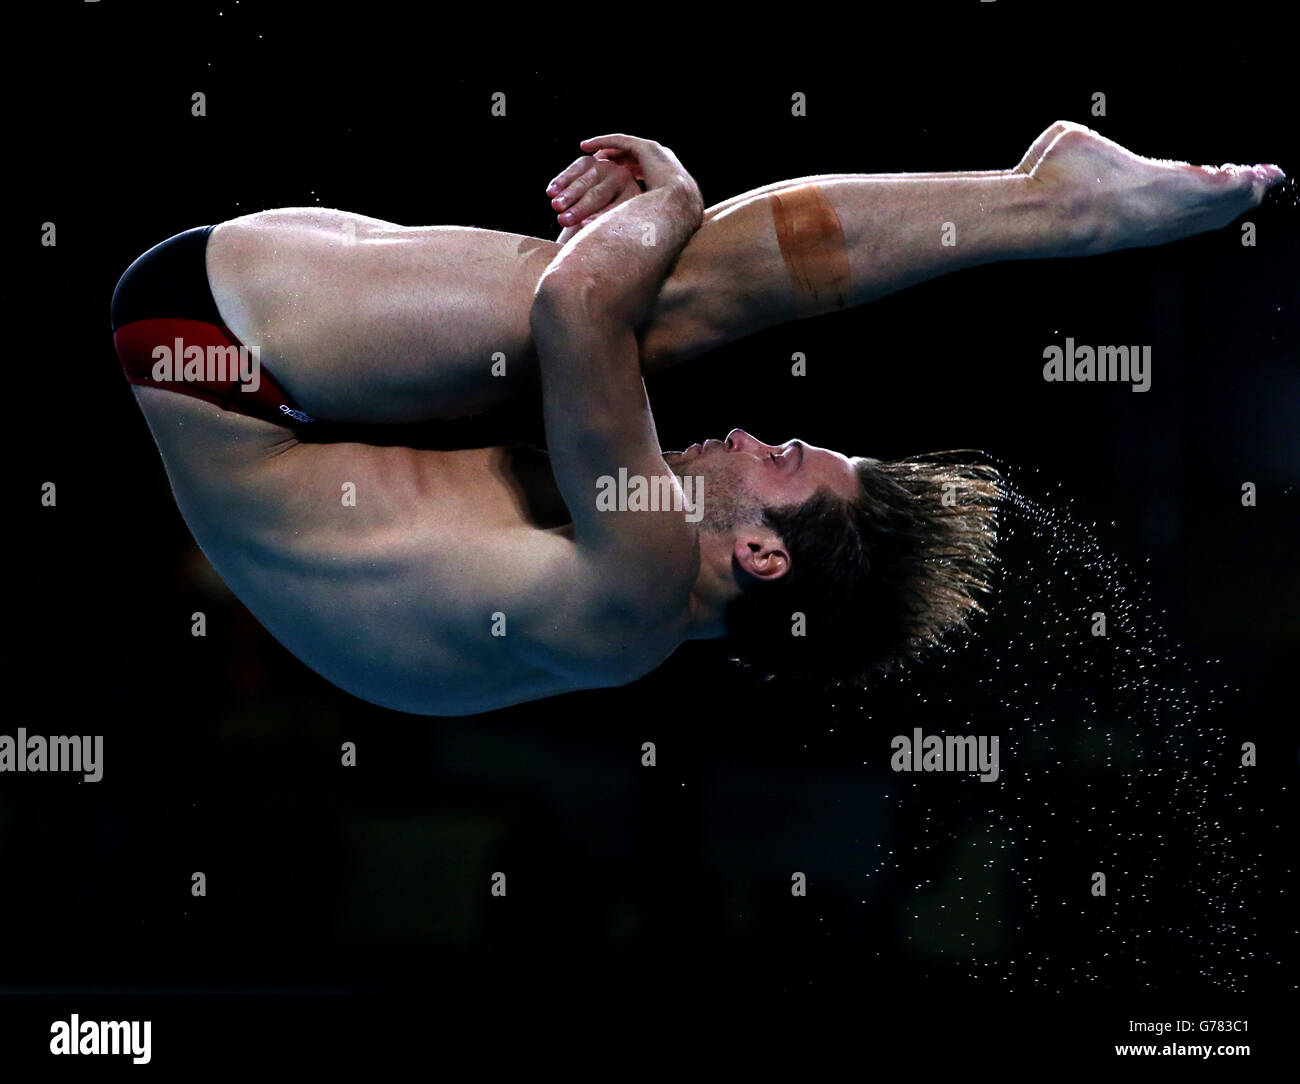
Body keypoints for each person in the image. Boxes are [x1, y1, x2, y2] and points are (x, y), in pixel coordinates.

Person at [111, 124, 1283, 714]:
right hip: (256, 382)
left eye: (781, 460)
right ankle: (1053, 205)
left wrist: (667, 190)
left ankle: (1056, 208)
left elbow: (577, 301)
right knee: (644, 319)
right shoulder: (635, 616)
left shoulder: (638, 575)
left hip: (219, 344)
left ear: (763, 554)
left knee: (648, 301)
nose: (751, 435)